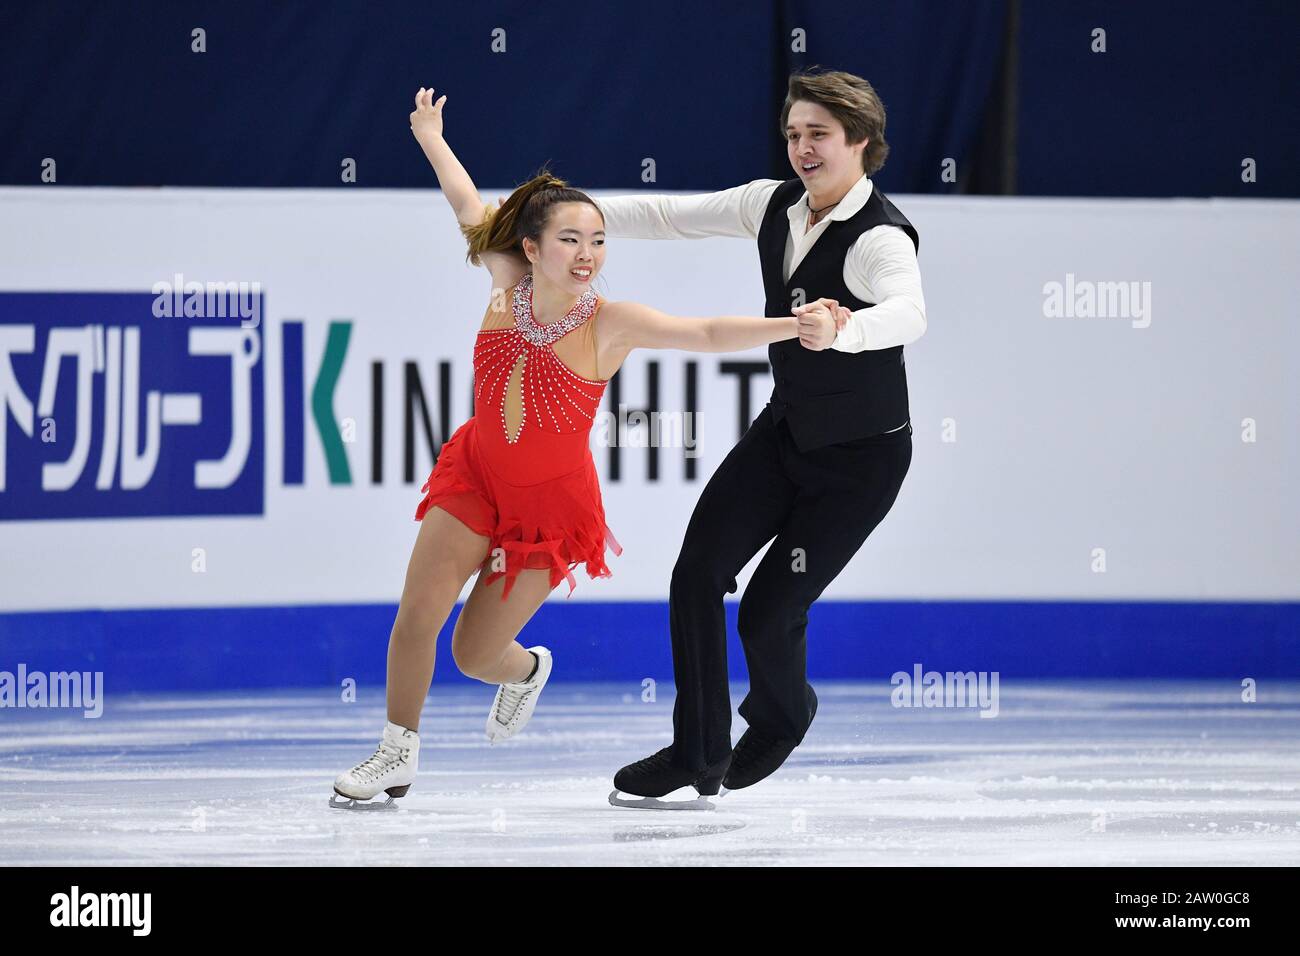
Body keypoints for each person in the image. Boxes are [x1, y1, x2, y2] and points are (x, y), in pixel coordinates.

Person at [330, 86, 845, 807]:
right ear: (531, 248)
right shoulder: (505, 283)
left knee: (472, 654)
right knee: (418, 614)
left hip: (550, 508)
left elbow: (702, 335)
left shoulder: (611, 323)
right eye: (570, 240)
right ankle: (395, 755)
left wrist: (791, 326)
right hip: (474, 475)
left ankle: (526, 670)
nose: (587, 255)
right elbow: (464, 204)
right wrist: (429, 135)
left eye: (598, 240)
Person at [601, 69, 926, 801]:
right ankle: (698, 752)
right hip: (784, 435)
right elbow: (670, 216)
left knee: (769, 613)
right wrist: (573, 212)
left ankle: (781, 718)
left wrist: (846, 330)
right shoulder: (772, 204)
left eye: (818, 135)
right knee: (695, 574)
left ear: (861, 143)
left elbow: (910, 313)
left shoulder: (881, 238)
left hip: (861, 462)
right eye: (793, 134)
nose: (802, 148)